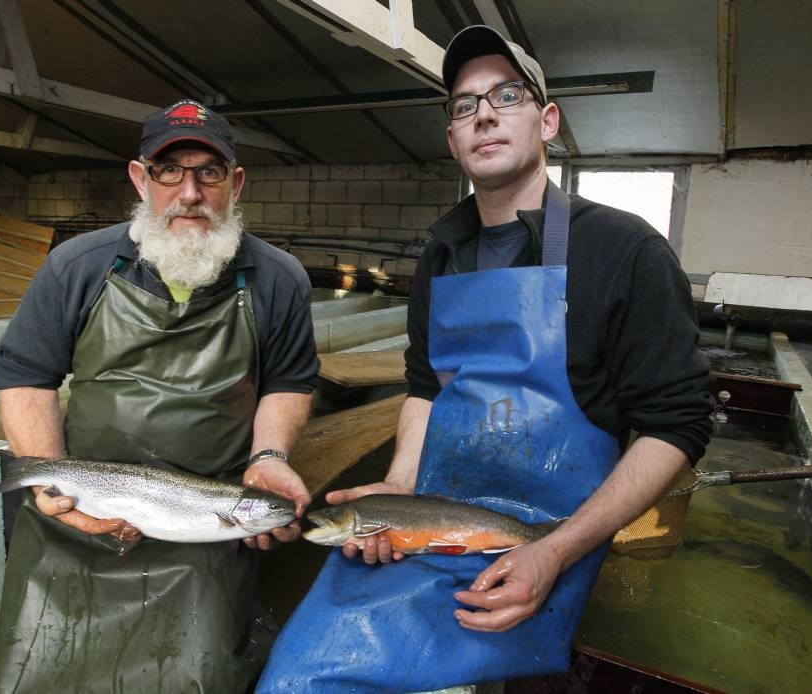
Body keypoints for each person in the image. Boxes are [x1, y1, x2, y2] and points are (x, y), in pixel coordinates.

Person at [258, 25, 713, 692]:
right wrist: (403, 487)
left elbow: (676, 424)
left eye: (507, 94)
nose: (486, 113)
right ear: (453, 139)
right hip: (439, 519)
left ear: (547, 120)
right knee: (297, 674)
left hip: (559, 539)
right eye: (465, 105)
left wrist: (554, 551)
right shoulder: (440, 256)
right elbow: (423, 386)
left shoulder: (625, 252)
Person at [0, 99, 319, 693]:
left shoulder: (278, 278)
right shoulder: (77, 267)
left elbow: (288, 384)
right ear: (141, 178)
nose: (189, 193)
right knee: (44, 670)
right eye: (170, 171)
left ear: (234, 184)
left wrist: (269, 457)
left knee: (202, 672)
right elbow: (25, 376)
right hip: (78, 524)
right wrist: (52, 482)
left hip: (204, 527)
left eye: (208, 172)